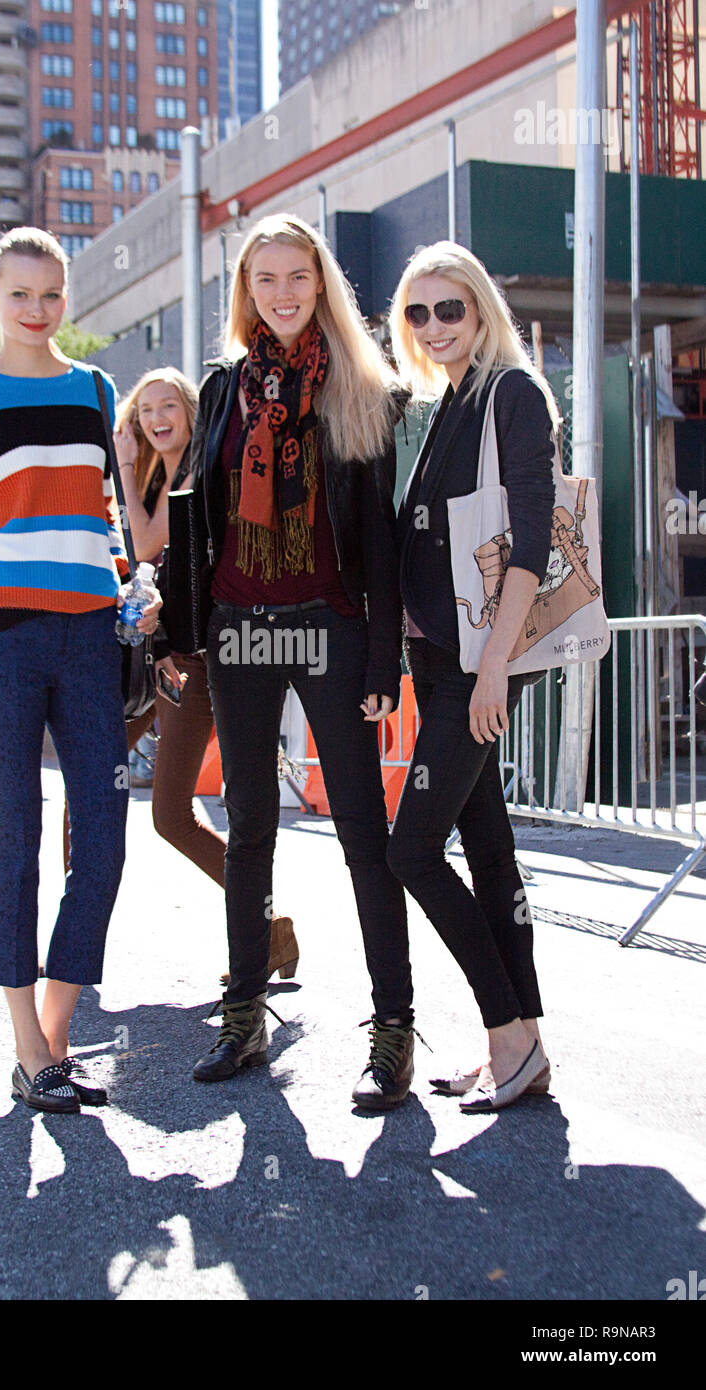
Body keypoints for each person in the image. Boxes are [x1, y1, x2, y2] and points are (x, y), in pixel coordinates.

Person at [181, 212, 417, 1107]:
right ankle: (243, 1016)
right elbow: (201, 524)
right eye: (265, 281)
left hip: (330, 624)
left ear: (322, 287)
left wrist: (382, 661)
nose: (282, 295)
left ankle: (391, 1028)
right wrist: (192, 632)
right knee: (249, 830)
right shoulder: (222, 391)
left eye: (298, 279)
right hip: (241, 630)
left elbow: (380, 540)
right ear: (246, 293)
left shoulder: (359, 388)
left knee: (364, 833)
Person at [0, 226, 161, 1116]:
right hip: (3, 643)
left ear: (68, 299)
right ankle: (30, 1045)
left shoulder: (97, 392)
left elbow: (106, 521)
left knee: (104, 838)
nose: (36, 310)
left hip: (92, 639)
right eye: (20, 293)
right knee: (16, 841)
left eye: (51, 294)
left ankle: (54, 1036)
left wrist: (130, 586)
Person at [387, 240, 557, 1114]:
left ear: (482, 309)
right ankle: (523, 1043)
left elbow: (530, 540)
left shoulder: (510, 394)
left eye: (449, 308)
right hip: (446, 663)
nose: (433, 326)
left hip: (474, 670)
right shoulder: (449, 401)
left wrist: (494, 668)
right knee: (488, 850)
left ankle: (508, 1037)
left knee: (411, 849)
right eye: (417, 313)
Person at [61, 367, 300, 982]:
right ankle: (73, 940)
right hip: (160, 658)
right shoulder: (157, 476)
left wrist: (121, 460)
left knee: (170, 816)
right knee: (89, 778)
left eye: (168, 406)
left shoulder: (193, 474)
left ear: (192, 415)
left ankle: (266, 926)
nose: (156, 417)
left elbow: (143, 544)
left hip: (199, 661)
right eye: (145, 411)